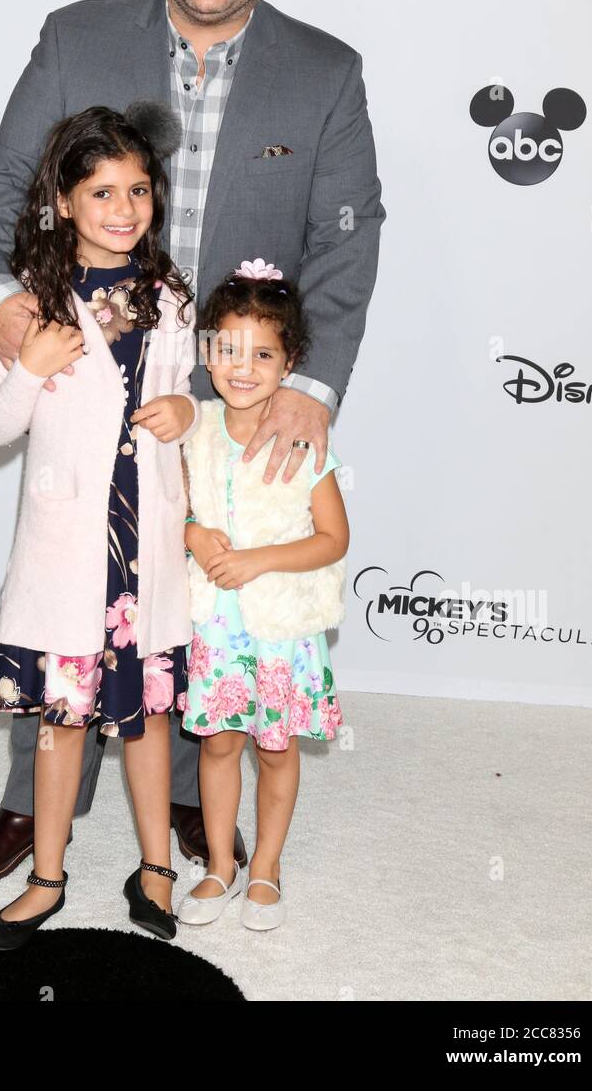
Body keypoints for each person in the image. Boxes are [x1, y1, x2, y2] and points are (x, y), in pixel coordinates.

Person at [0, 0, 384, 889]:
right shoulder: (73, 38)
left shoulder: (325, 73)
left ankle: (192, 788)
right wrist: (2, 311)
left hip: (229, 397)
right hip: (85, 373)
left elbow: (348, 240)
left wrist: (307, 391)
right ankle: (29, 805)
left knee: (199, 594)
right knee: (63, 579)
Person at [0, 100, 198, 947]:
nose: (124, 210)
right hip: (70, 553)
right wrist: (28, 368)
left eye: (139, 191)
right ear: (64, 201)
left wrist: (186, 408)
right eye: (102, 192)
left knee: (147, 719)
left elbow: (185, 402)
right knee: (60, 725)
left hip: (145, 546)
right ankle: (47, 876)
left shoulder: (167, 298)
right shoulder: (34, 304)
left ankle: (156, 870)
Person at [176, 259, 349, 931]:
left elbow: (333, 538)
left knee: (276, 749)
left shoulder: (304, 440)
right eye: (227, 349)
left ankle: (268, 867)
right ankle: (220, 864)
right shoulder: (193, 430)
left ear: (290, 361)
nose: (242, 367)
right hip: (216, 627)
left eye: (262, 353)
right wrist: (192, 534)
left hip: (280, 627)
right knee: (218, 745)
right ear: (205, 351)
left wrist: (259, 561)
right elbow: (172, 512)